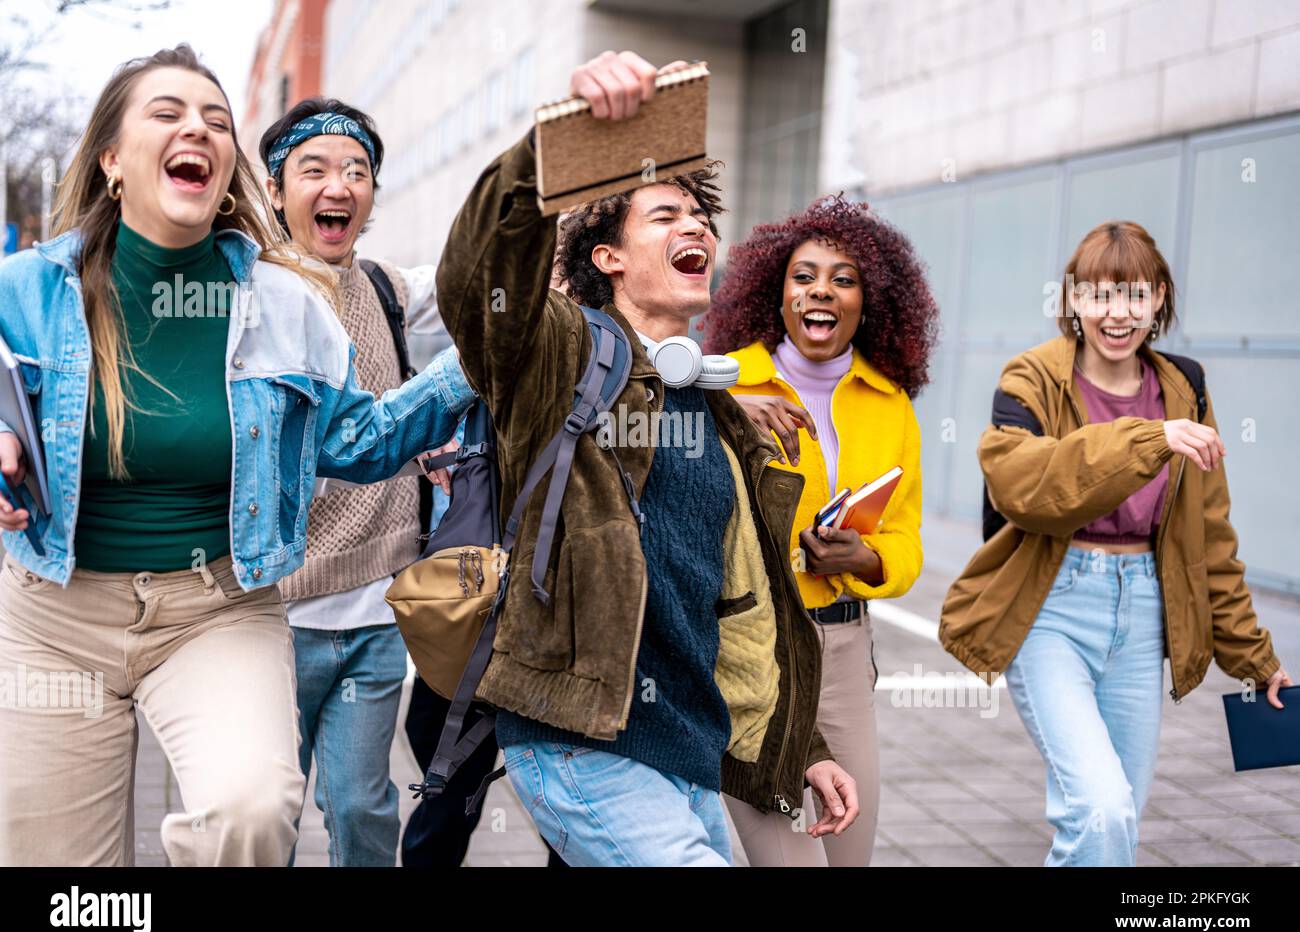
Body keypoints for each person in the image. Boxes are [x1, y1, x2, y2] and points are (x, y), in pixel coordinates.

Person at [0, 45, 472, 866]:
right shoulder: (24, 292)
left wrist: (479, 358)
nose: (200, 130)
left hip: (217, 608)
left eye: (217, 121)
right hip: (53, 616)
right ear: (112, 159)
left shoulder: (282, 300)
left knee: (251, 812)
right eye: (170, 114)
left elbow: (358, 441)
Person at [436, 49, 859, 866]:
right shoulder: (560, 359)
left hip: (687, 757)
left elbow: (744, 607)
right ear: (608, 258)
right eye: (663, 217)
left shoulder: (719, 408)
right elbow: (478, 278)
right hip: (580, 746)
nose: (695, 226)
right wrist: (552, 150)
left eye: (698, 218)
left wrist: (800, 745)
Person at [940, 220, 1292, 866]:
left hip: (1144, 618)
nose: (1117, 313)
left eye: (1135, 294)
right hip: (1052, 609)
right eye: (1100, 295)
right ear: (1072, 299)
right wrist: (1150, 439)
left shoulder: (1185, 387)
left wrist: (1256, 659)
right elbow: (1026, 486)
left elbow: (1209, 539)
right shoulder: (1032, 379)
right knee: (1099, 811)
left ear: (1159, 299)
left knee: (1118, 824)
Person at [257, 96, 466, 867]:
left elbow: (487, 289)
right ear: (276, 190)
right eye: (313, 169)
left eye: (357, 170)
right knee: (260, 815)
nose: (338, 185)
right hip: (264, 621)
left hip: (376, 614)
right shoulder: (244, 294)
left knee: (361, 807)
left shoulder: (389, 291)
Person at [704, 196, 937, 865]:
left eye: (844, 278)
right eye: (804, 276)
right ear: (775, 293)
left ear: (870, 301)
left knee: (851, 854)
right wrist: (724, 416)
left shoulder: (890, 404)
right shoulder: (723, 385)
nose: (821, 291)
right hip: (752, 650)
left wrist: (864, 556)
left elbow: (908, 539)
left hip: (842, 649)